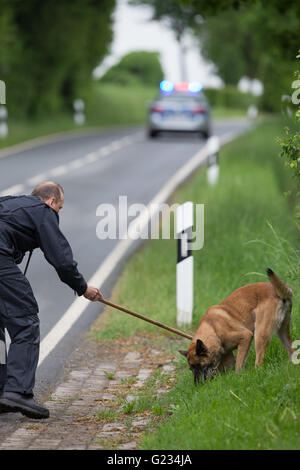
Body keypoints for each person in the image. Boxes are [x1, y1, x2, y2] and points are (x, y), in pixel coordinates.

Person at [0, 181, 103, 419]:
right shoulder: (43, 211)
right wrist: (83, 287)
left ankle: (2, 388)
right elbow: (62, 260)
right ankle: (17, 392)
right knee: (25, 320)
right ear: (51, 201)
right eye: (60, 209)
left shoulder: (10, 203)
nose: (58, 214)